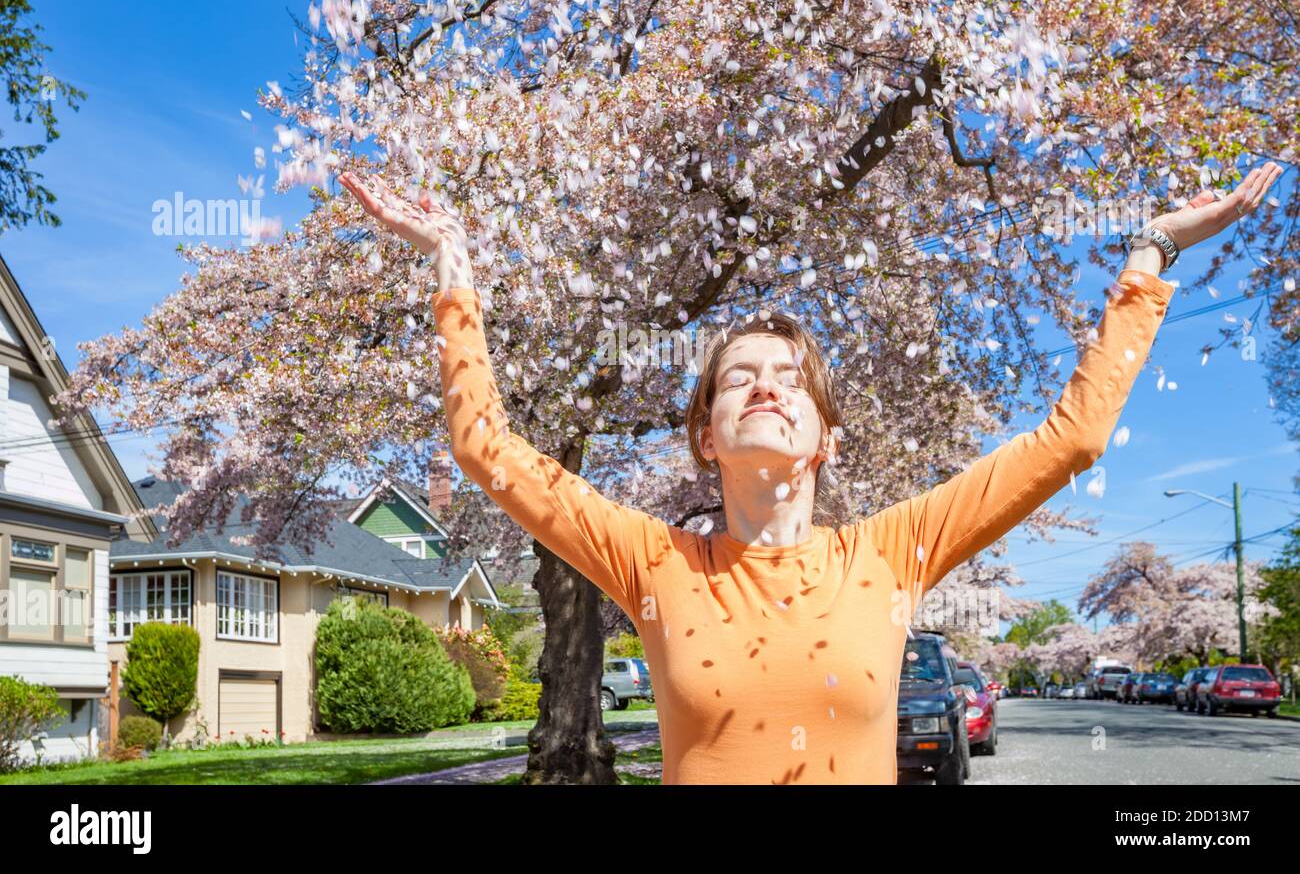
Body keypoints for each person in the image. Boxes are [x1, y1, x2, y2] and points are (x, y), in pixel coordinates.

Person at [339, 162, 1281, 784]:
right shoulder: (654, 563)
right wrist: (453, 273)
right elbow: (487, 453)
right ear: (706, 436)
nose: (763, 389)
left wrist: (1151, 252)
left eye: (790, 380)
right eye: (736, 379)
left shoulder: (894, 552)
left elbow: (1070, 442)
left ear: (824, 437)